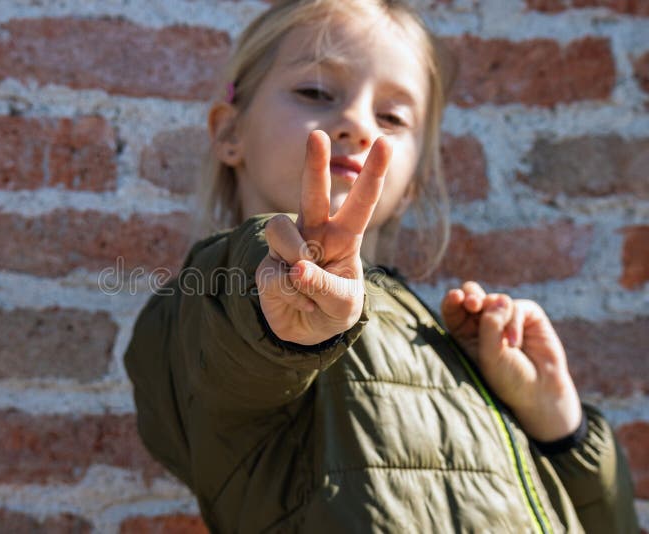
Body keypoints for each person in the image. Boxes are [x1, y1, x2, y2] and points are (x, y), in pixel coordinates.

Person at [124, 0, 639, 532]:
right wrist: (285, 308)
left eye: (392, 116)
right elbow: (229, 335)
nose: (355, 123)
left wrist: (560, 431)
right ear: (230, 132)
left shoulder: (438, 336)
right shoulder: (214, 293)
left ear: (412, 179)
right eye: (316, 93)